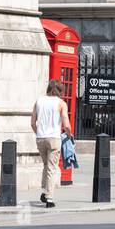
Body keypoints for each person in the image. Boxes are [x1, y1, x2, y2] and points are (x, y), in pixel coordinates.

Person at [31, 80, 71, 208]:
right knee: (52, 168)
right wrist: (69, 135)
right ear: (60, 91)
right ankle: (49, 198)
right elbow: (66, 123)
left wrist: (39, 133)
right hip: (54, 138)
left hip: (40, 138)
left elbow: (32, 123)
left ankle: (44, 191)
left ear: (48, 89)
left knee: (46, 165)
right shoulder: (61, 103)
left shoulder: (38, 101)